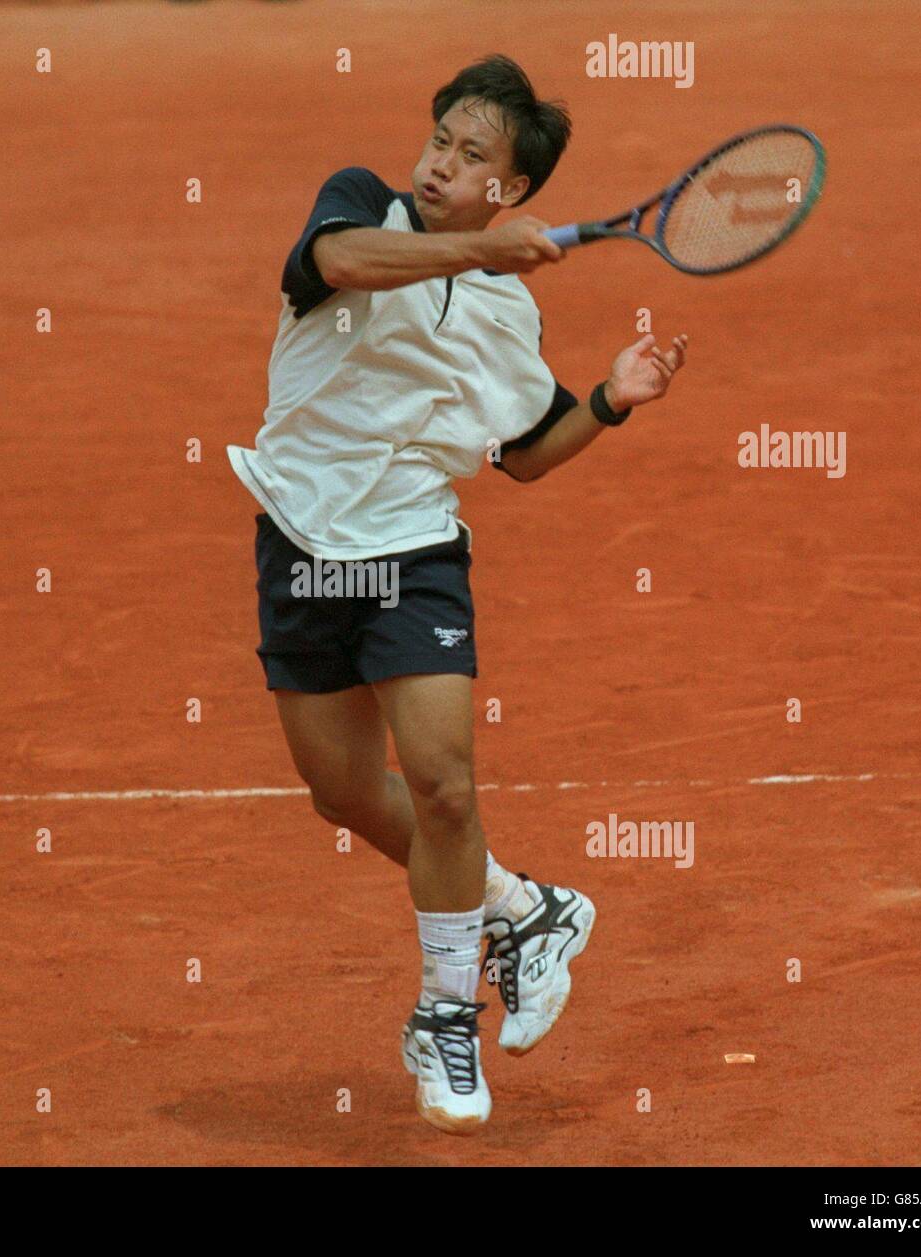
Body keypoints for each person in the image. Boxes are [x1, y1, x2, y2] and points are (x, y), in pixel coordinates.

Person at [227, 54, 687, 1135]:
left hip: (414, 552)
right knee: (343, 794)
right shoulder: (358, 207)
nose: (440, 162)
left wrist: (611, 403)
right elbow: (336, 261)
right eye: (442, 139)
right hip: (299, 544)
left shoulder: (504, 316)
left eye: (472, 156)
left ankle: (445, 1011)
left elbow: (523, 453)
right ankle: (524, 909)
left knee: (440, 786)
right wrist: (475, 246)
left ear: (513, 186)